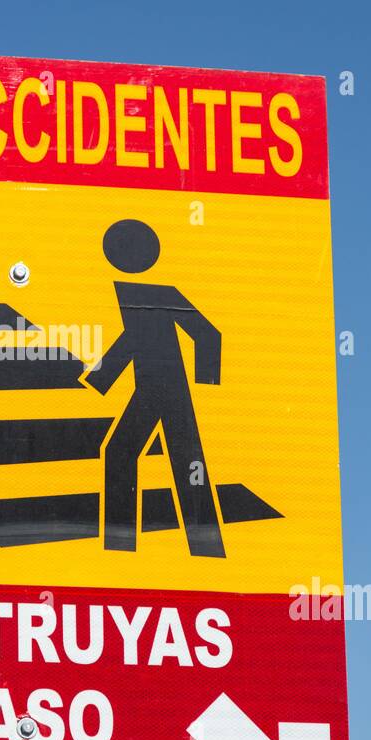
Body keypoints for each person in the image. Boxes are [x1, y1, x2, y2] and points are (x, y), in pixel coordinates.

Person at [84, 219, 224, 557]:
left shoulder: (158, 293)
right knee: (177, 460)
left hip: (166, 388)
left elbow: (208, 333)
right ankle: (195, 547)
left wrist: (205, 383)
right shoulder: (134, 292)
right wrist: (100, 377)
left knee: (170, 459)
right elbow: (135, 337)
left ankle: (126, 546)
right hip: (152, 386)